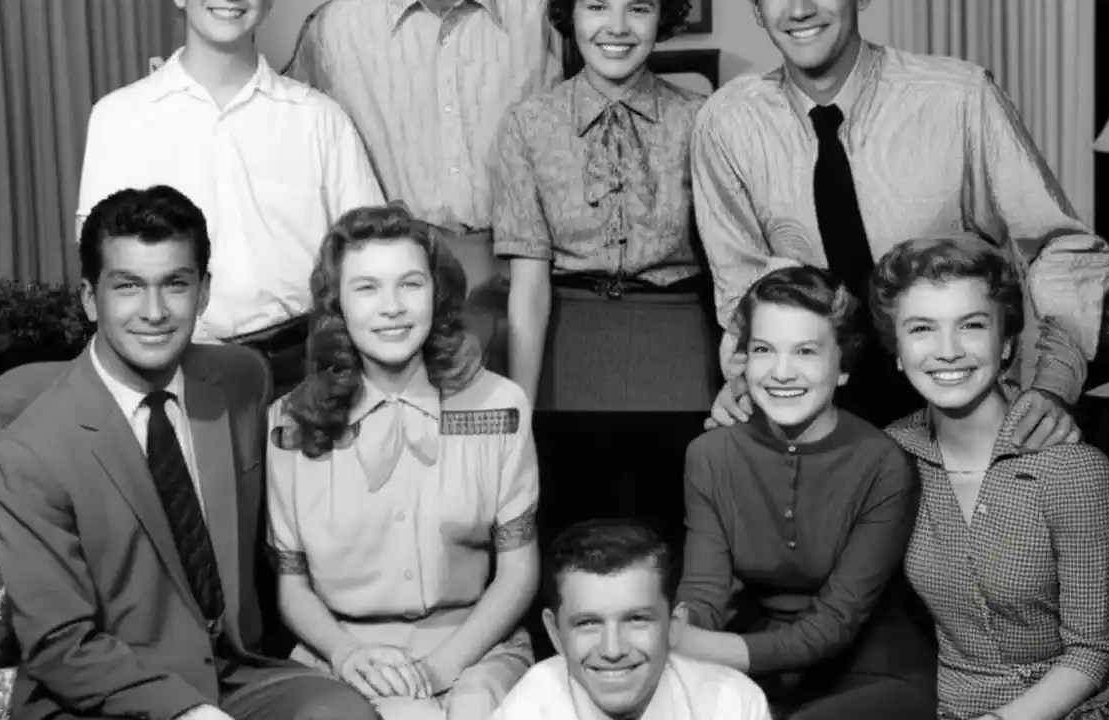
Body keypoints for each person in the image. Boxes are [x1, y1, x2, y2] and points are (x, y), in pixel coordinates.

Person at [0, 185, 378, 720]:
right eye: (127, 286)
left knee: (343, 714)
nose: (154, 312)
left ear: (204, 292)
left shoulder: (241, 382)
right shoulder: (32, 450)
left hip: (230, 672)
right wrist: (187, 713)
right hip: (98, 697)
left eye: (175, 284)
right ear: (87, 298)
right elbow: (60, 646)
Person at [695, 0, 1109, 439]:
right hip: (813, 414)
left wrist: (1052, 386)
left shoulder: (959, 96)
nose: (799, 9)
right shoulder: (727, 122)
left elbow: (1061, 245)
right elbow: (742, 284)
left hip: (960, 404)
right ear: (757, 9)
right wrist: (750, 378)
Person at [871, 235, 1109, 720]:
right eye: (922, 328)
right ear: (897, 349)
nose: (947, 351)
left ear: (1007, 340)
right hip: (955, 707)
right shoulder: (884, 458)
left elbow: (1091, 652)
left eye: (971, 325)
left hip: (1084, 706)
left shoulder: (1071, 469)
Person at [266, 204, 539, 720]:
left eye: (410, 284)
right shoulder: (290, 421)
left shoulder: (499, 407)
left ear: (436, 293)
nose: (392, 306)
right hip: (341, 655)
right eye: (367, 288)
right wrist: (349, 655)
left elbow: (519, 573)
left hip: (476, 648)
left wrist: (437, 673)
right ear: (337, 303)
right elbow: (292, 587)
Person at [489, 0, 713, 542]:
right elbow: (529, 286)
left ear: (665, 18)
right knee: (573, 537)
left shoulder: (706, 117)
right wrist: (522, 412)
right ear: (570, 15)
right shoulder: (528, 125)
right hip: (569, 351)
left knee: (673, 536)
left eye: (638, 8)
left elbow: (728, 265)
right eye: (596, 6)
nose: (616, 27)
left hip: (679, 351)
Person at [77, 0, 384, 395]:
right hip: (175, 368)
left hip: (305, 367)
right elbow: (103, 263)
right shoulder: (121, 117)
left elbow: (371, 255)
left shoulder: (319, 119)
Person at [672, 266, 935, 719]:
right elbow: (704, 592)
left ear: (844, 366)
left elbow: (835, 625)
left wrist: (697, 648)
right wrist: (678, 631)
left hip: (869, 669)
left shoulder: (882, 462)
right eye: (763, 350)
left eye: (806, 351)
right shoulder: (709, 455)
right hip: (755, 661)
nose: (781, 372)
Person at [285, 0, 563, 371]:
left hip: (532, 288)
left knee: (521, 424)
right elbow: (290, 160)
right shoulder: (332, 30)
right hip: (392, 302)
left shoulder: (540, 16)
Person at [492, 518, 772, 719]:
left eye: (637, 619)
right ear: (554, 633)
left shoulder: (731, 705)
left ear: (674, 626)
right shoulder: (529, 707)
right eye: (588, 623)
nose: (613, 650)